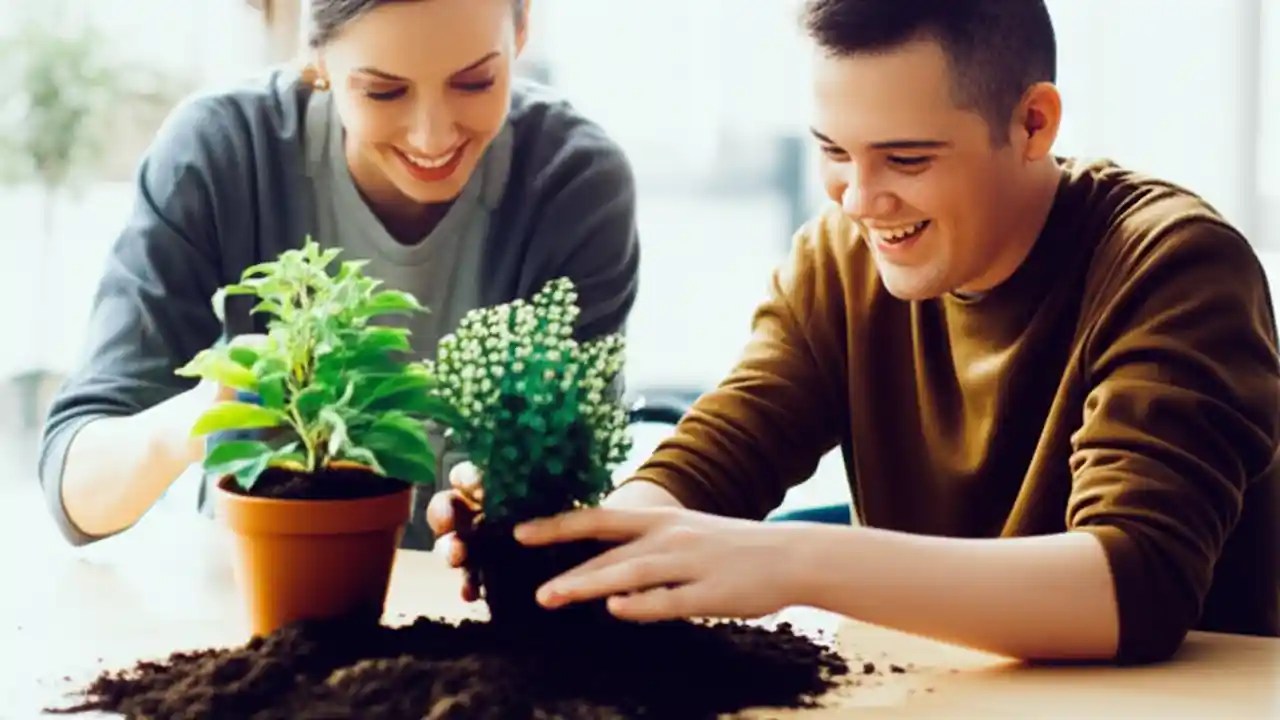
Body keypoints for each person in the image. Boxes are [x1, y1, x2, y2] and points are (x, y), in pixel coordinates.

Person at [429, 0, 1280, 665]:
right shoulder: (839, 260)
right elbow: (718, 458)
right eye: (834, 151)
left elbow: (1138, 586)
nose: (859, 200)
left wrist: (797, 562)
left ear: (1033, 124)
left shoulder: (1175, 267)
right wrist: (570, 548)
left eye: (907, 161)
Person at [38, 0, 640, 551]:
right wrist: (201, 413)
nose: (432, 136)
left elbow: (574, 489)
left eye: (475, 81)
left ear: (522, 28)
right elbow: (77, 495)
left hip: (474, 626)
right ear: (316, 56)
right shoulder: (222, 151)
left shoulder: (572, 181)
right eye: (383, 92)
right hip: (257, 614)